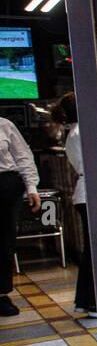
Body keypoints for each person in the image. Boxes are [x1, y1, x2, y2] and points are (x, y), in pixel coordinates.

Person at [51, 93, 95, 316]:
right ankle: (90, 301)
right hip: (90, 195)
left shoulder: (74, 132)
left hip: (86, 194)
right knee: (94, 250)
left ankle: (87, 300)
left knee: (92, 250)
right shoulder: (81, 133)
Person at [0, 113, 41, 317]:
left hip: (6, 184)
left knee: (5, 241)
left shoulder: (4, 125)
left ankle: (2, 293)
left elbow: (23, 156)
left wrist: (31, 187)